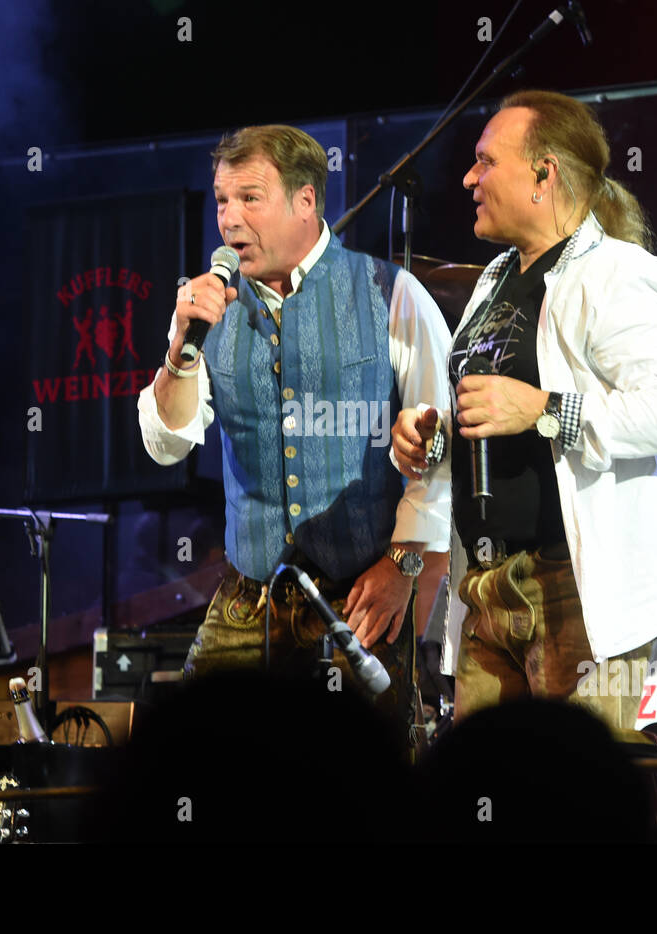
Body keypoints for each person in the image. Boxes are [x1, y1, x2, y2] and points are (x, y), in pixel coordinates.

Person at [391, 90, 657, 732]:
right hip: (486, 587)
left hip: (575, 593)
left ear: (545, 174)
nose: (468, 177)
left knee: (575, 806)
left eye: (486, 162)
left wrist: (543, 409)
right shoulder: (494, 279)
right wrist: (432, 438)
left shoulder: (619, 274)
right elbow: (495, 419)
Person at [137, 125, 452, 739]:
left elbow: (439, 454)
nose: (229, 218)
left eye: (249, 198)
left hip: (361, 591)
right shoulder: (206, 307)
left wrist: (403, 566)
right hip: (251, 592)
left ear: (306, 201)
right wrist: (180, 350)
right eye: (223, 200)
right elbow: (165, 442)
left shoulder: (392, 293)